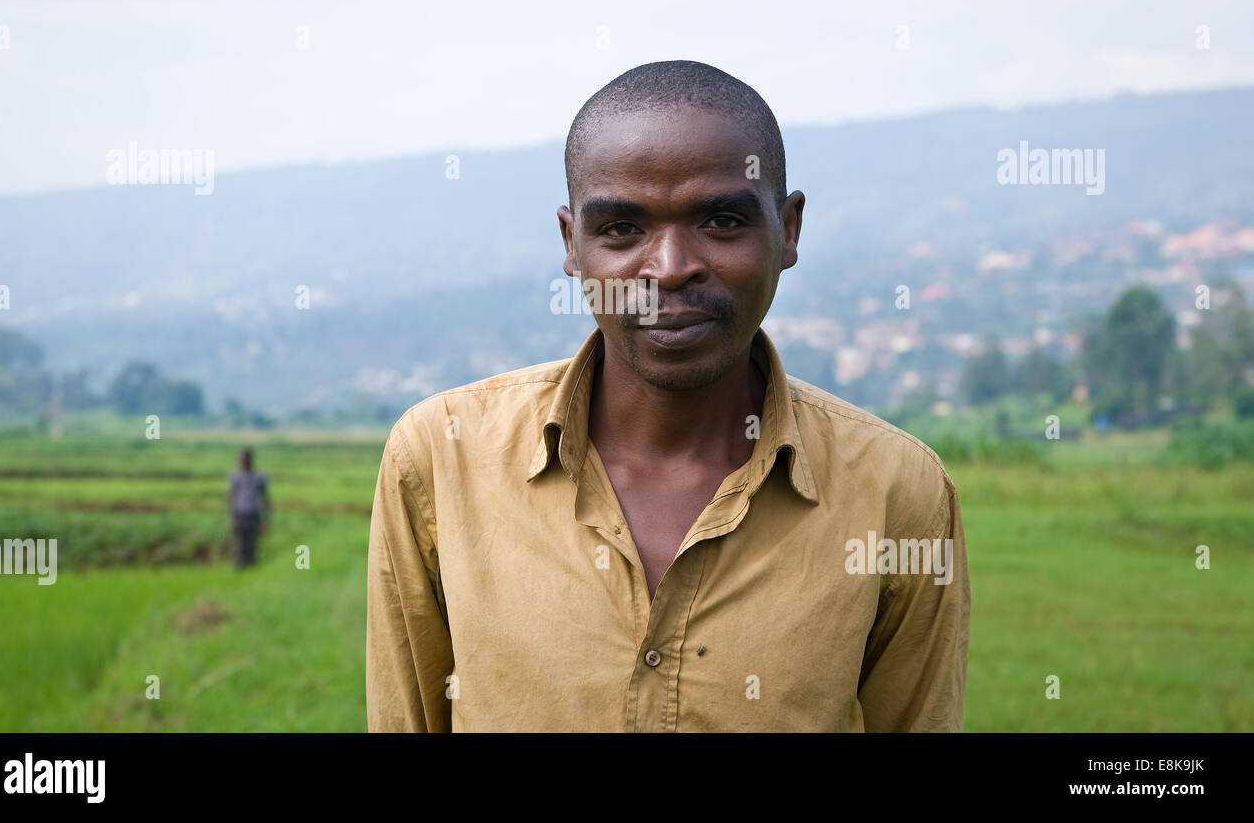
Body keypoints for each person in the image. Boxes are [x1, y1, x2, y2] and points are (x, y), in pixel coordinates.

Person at [366, 60, 970, 732]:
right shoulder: (441, 458)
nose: (671, 266)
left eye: (721, 220)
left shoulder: (896, 489)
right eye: (622, 229)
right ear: (572, 244)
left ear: (788, 228)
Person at [227, 447, 269, 569]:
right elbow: (231, 498)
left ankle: (250, 568)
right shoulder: (235, 477)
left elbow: (265, 499)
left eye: (245, 458)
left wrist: (266, 519)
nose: (243, 461)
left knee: (252, 544)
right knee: (239, 544)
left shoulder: (259, 477)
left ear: (250, 459)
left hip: (253, 514)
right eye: (241, 459)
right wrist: (231, 517)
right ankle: (238, 568)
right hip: (239, 514)